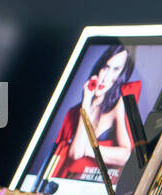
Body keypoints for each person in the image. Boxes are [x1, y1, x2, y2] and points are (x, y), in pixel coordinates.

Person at [49, 44, 140, 181]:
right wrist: (86, 101)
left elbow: (127, 155)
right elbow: (75, 153)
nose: (106, 77)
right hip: (68, 183)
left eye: (116, 70)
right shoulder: (75, 112)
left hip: (98, 188)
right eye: (106, 67)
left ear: (122, 75)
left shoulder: (118, 105)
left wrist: (90, 149)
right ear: (99, 68)